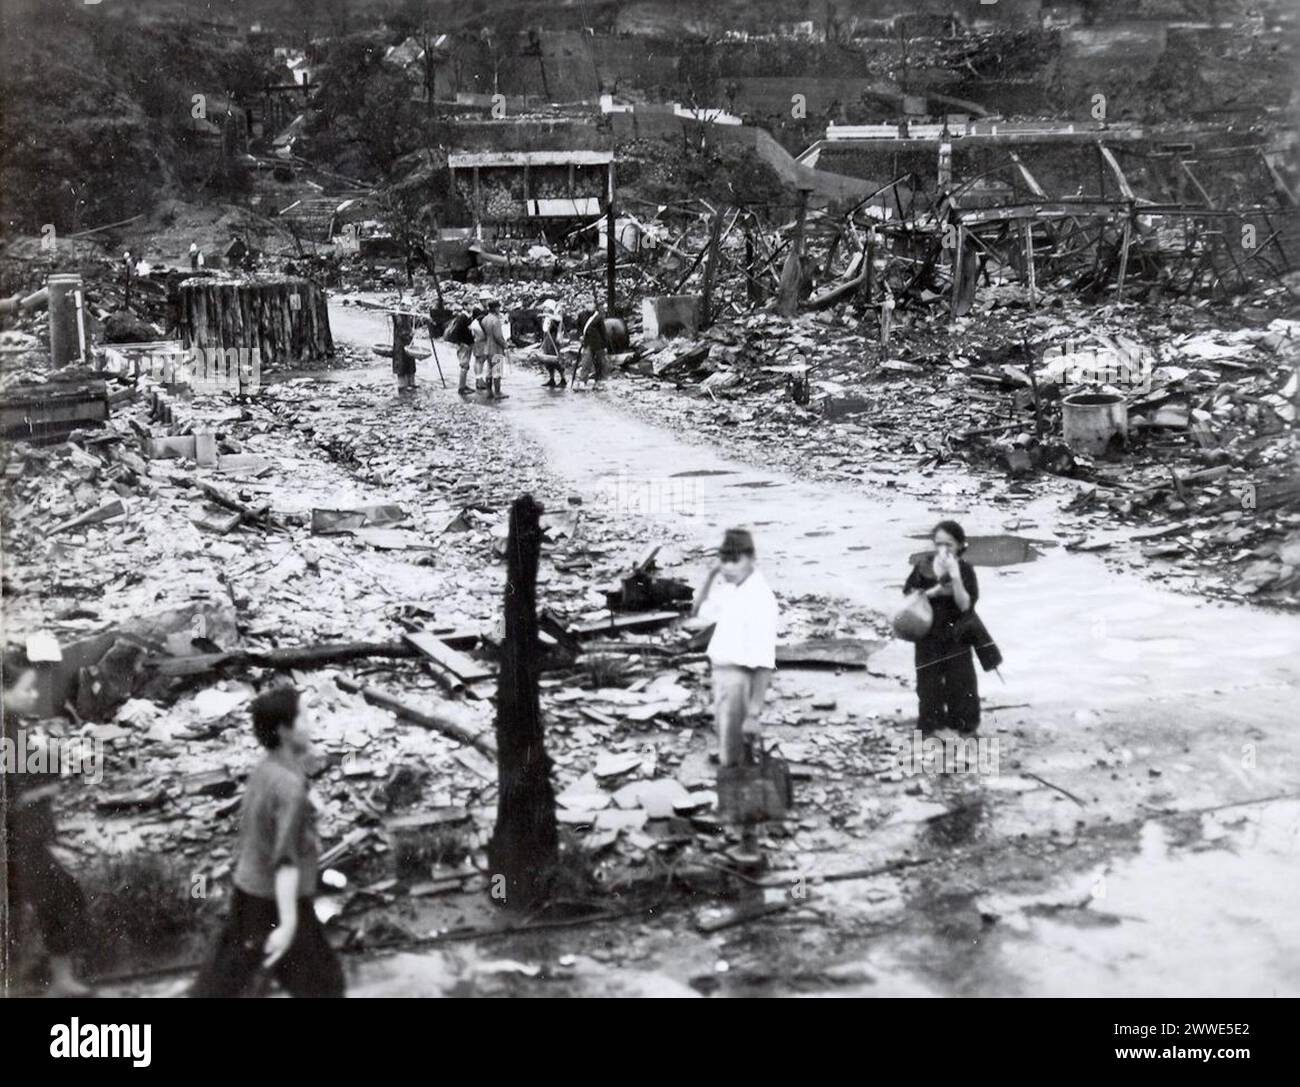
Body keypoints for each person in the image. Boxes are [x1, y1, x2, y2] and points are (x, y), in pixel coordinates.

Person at [192, 685, 344, 998]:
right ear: (284, 730)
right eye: (303, 716)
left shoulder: (267, 768)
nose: (312, 722)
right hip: (275, 900)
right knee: (323, 985)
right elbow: (285, 862)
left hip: (248, 890)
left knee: (225, 980)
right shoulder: (288, 787)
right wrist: (287, 925)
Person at [3, 648, 92, 996]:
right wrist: (50, 775)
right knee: (60, 896)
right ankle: (58, 980)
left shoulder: (11, 730)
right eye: (26, 689)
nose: (35, 695)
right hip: (18, 842)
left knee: (53, 898)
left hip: (23, 840)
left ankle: (54, 979)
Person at [902, 520, 981, 735]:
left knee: (962, 680)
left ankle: (964, 726)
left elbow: (966, 605)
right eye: (938, 544)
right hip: (927, 631)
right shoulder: (924, 566)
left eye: (949, 545)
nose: (943, 550)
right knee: (928, 682)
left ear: (959, 546)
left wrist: (955, 577)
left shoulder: (965, 570)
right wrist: (934, 592)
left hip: (957, 631)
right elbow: (909, 596)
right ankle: (931, 726)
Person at [481, 299, 509, 400]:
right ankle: (498, 392)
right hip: (496, 348)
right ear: (496, 308)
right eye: (498, 307)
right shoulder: (495, 320)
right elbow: (498, 336)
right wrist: (505, 345)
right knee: (497, 370)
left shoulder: (485, 319)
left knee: (489, 370)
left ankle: (489, 392)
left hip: (487, 347)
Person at [445, 305, 475, 396]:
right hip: (464, 344)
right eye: (470, 304)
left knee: (465, 365)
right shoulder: (463, 317)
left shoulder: (466, 317)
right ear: (465, 306)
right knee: (464, 365)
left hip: (466, 343)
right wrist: (463, 343)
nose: (472, 306)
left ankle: (463, 385)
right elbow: (459, 331)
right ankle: (461, 388)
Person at [574, 308, 608, 388]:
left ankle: (599, 381)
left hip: (598, 343)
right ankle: (583, 380)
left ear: (593, 304)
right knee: (585, 362)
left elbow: (603, 331)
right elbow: (578, 327)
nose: (589, 305)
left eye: (591, 303)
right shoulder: (581, 315)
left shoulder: (598, 316)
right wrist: (580, 335)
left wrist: (605, 345)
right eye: (587, 303)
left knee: (600, 363)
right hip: (587, 342)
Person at [540, 302, 566, 388]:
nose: (545, 309)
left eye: (546, 308)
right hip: (548, 340)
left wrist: (548, 315)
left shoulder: (555, 316)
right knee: (548, 360)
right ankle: (552, 379)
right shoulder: (548, 318)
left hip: (554, 340)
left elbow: (559, 319)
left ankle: (563, 379)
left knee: (555, 359)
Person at [469, 306, 489, 391]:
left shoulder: (473, 322)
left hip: (476, 342)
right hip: (482, 343)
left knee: (477, 361)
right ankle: (480, 382)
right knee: (481, 362)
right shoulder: (482, 321)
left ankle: (478, 380)